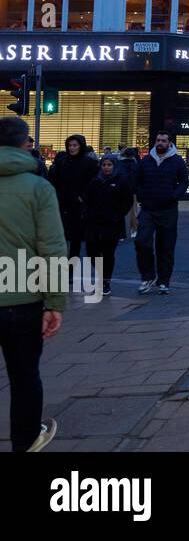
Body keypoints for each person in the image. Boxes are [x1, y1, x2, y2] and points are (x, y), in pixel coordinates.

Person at [0, 116, 66, 452]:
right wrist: (54, 303)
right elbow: (52, 248)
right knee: (24, 376)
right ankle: (26, 442)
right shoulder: (39, 187)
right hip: (22, 300)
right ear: (25, 143)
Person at [132, 132, 189, 295]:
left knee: (166, 247)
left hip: (168, 210)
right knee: (141, 241)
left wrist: (173, 196)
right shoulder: (146, 161)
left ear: (169, 143)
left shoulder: (177, 161)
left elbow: (184, 182)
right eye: (158, 140)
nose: (160, 143)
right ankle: (147, 276)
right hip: (148, 209)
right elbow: (136, 181)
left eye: (163, 141)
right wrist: (142, 195)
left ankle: (164, 281)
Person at [83, 154, 133, 297]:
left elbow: (127, 201)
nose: (106, 167)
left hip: (112, 224)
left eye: (109, 165)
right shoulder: (95, 181)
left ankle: (105, 282)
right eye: (104, 165)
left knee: (108, 253)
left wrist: (117, 215)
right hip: (94, 222)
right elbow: (87, 199)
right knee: (92, 252)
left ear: (114, 166)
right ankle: (102, 276)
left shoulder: (121, 182)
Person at [47, 134, 97, 260]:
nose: (72, 148)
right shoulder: (62, 162)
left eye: (75, 145)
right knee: (61, 238)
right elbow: (54, 181)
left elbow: (93, 184)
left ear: (81, 146)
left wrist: (83, 198)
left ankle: (69, 271)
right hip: (62, 204)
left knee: (76, 240)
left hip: (79, 207)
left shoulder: (89, 163)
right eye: (70, 145)